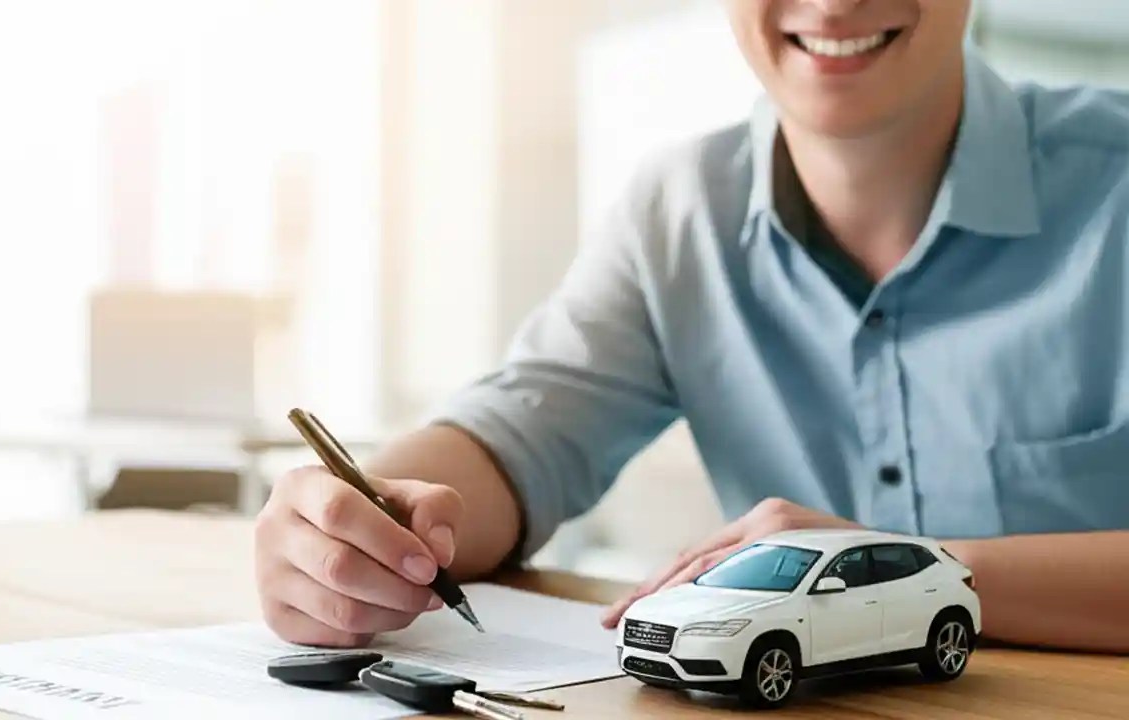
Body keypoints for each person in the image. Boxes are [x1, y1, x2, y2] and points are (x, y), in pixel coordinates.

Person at [255, 0, 1129, 653]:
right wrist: (360, 522)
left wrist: (893, 570)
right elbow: (519, 430)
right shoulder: (679, 212)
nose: (832, 4)